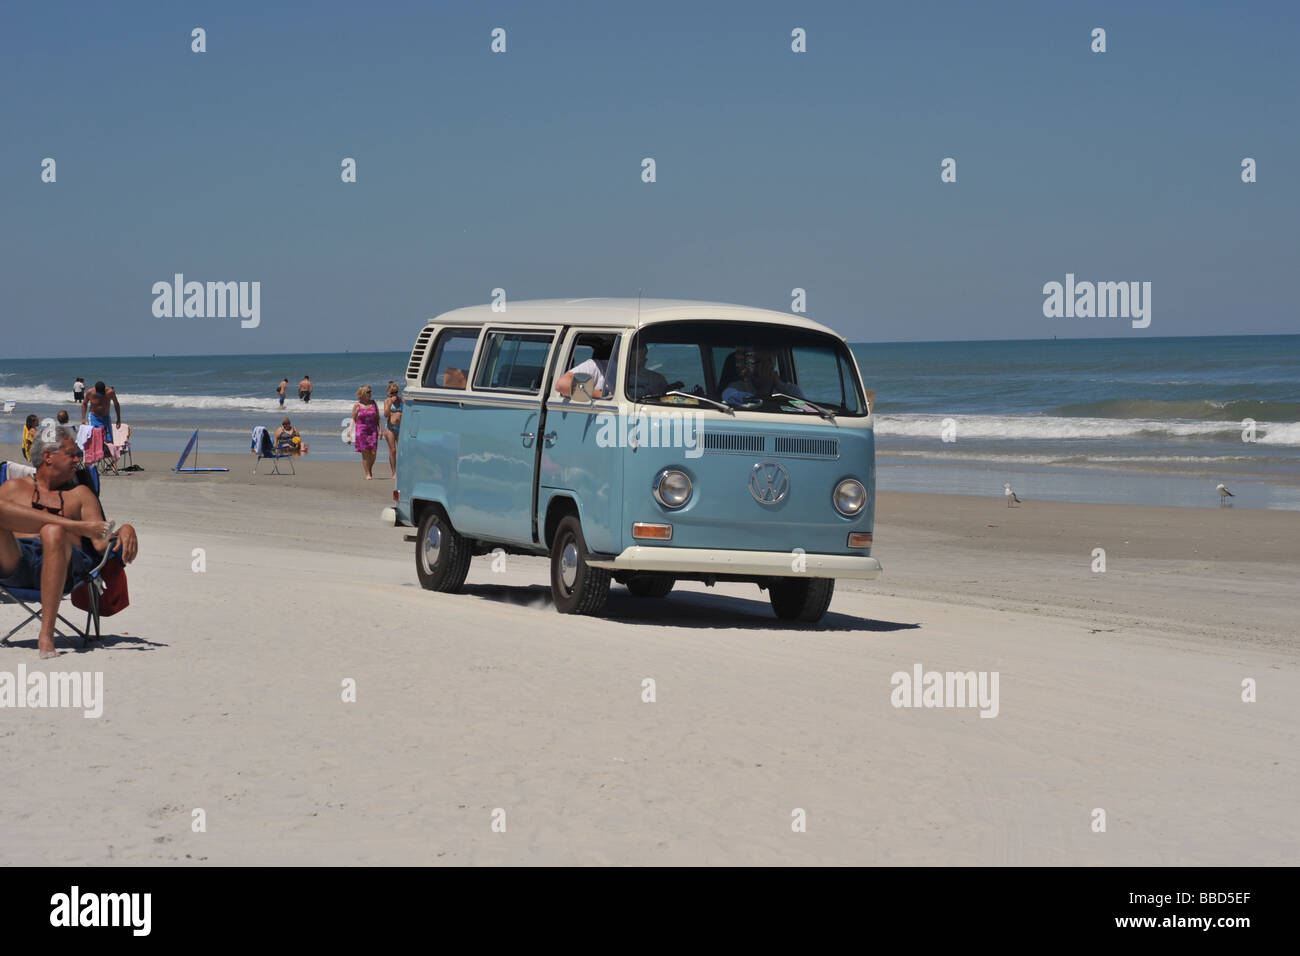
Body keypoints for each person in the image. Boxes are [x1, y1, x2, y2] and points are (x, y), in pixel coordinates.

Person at [0, 424, 139, 658]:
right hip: (18, 563)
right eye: (72, 453)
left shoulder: (81, 495)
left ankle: (46, 635)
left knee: (53, 531)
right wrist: (77, 527)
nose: (79, 459)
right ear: (48, 457)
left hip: (66, 567)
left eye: (79, 455)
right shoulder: (12, 488)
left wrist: (126, 529)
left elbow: (101, 543)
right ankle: (70, 526)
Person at [721, 348, 804, 406]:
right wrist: (764, 390)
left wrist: (781, 388)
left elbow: (805, 410)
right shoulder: (736, 388)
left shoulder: (792, 390)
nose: (766, 366)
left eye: (769, 360)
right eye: (759, 362)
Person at [351, 385, 380, 479]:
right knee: (365, 453)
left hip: (373, 430)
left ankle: (369, 469)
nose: (370, 393)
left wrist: (381, 430)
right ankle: (367, 473)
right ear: (363, 393)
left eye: (370, 392)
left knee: (373, 452)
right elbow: (353, 419)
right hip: (362, 431)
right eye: (368, 392)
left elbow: (378, 417)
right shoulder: (357, 405)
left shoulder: (373, 403)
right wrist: (351, 432)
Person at [382, 382, 403, 476]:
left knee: (402, 450)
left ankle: (401, 470)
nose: (394, 394)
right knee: (393, 450)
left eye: (396, 392)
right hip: (390, 428)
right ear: (388, 393)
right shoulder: (387, 401)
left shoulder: (402, 400)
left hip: (401, 428)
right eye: (392, 392)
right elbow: (385, 415)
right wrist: (390, 404)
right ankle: (394, 472)